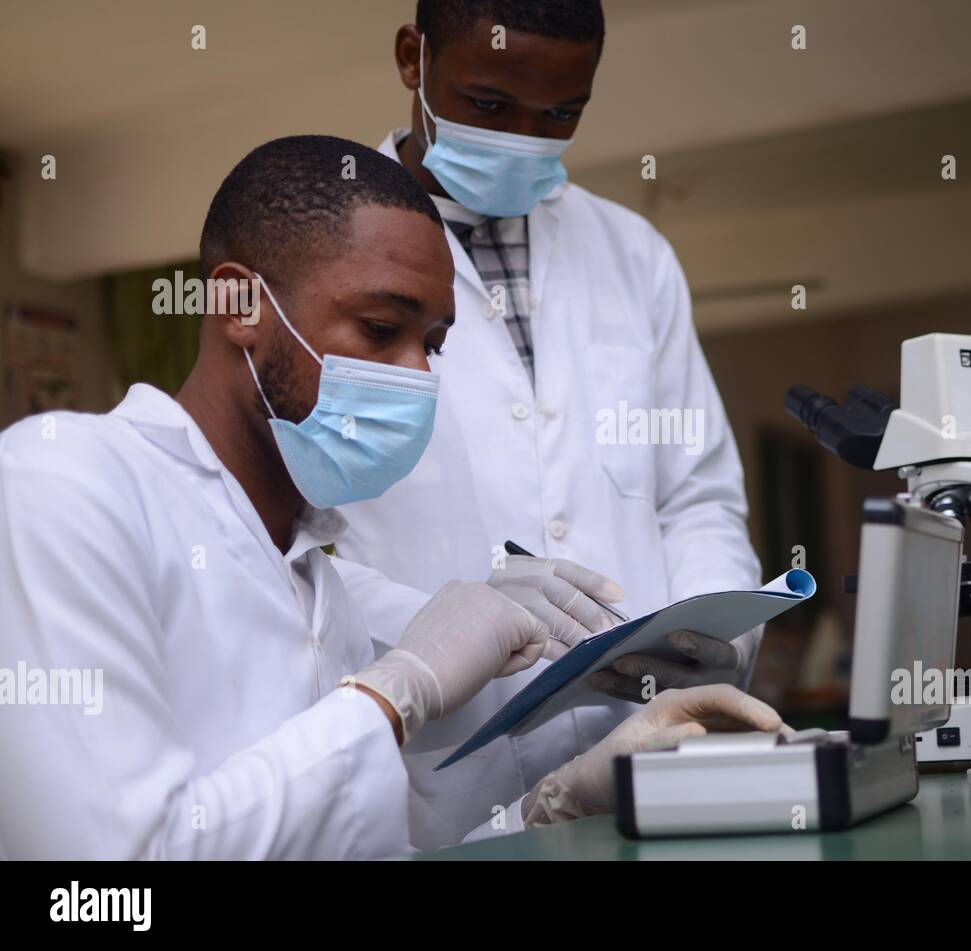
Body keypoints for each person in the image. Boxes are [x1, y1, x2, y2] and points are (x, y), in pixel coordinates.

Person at [0, 135, 783, 859]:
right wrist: (389, 694)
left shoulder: (314, 580)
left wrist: (556, 803)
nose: (417, 377)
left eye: (434, 345)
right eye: (380, 329)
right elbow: (98, 892)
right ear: (240, 306)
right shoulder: (64, 480)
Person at [333, 0, 765, 847]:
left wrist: (713, 631)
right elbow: (297, 555)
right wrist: (451, 630)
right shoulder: (328, 250)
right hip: (438, 787)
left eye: (561, 114)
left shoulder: (633, 254)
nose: (526, 137)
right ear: (412, 58)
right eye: (490, 105)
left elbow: (698, 495)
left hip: (640, 763)